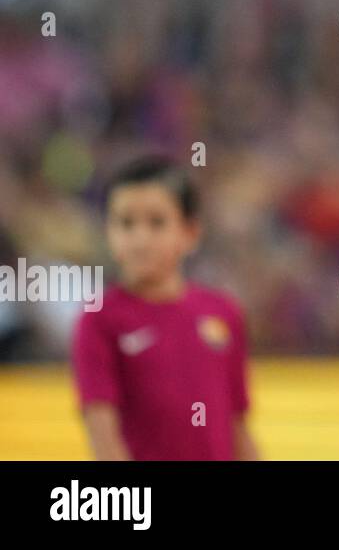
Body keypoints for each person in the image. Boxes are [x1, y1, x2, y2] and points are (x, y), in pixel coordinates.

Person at [70, 155, 258, 460]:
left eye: (156, 222)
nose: (140, 239)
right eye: (126, 223)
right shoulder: (100, 319)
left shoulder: (223, 313)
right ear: (108, 232)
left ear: (190, 233)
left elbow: (236, 425)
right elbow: (103, 437)